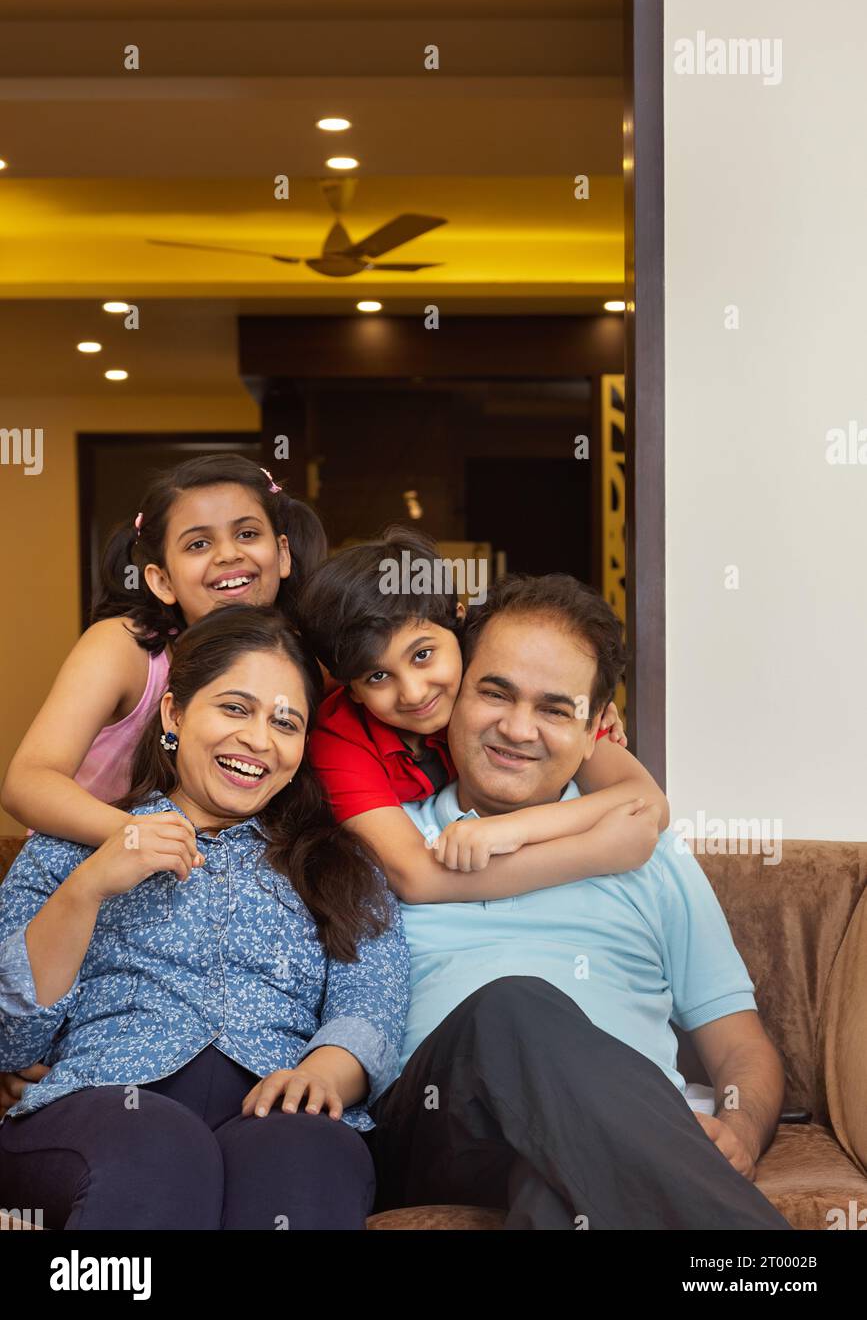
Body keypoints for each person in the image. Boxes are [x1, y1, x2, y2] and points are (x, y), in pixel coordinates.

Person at [369, 574, 792, 1231]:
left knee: (559, 1191)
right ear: (452, 694)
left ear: (597, 728)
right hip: (435, 1125)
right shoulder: (387, 840)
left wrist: (738, 1124)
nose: (516, 729)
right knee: (514, 1005)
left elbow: (739, 1046)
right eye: (494, 692)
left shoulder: (651, 853)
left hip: (609, 1135)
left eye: (553, 709)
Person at [0, 606, 408, 1230]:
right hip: (107, 1106)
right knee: (158, 1143)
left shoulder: (341, 862)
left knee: (311, 1152)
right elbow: (12, 1039)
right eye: (235, 708)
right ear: (173, 714)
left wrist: (321, 1074)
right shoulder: (70, 841)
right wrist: (86, 889)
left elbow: (373, 998)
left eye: (286, 722)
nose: (259, 740)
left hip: (274, 1105)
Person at [301, 527, 668, 904]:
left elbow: (645, 798)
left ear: (458, 625)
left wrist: (511, 829)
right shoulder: (340, 740)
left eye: (423, 655)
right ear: (353, 689)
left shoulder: (497, 689)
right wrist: (591, 854)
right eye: (377, 676)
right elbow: (415, 878)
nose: (414, 692)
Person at [1, 453, 326, 847]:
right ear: (162, 580)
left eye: (247, 534)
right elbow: (27, 782)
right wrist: (140, 837)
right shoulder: (125, 648)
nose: (228, 554)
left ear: (283, 553)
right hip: (94, 863)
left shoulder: (299, 663)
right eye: (199, 543)